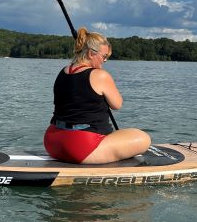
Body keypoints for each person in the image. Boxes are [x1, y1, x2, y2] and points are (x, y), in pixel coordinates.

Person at [44, 27, 151, 164]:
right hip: (80, 147)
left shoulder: (63, 71)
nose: (105, 61)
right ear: (90, 54)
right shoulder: (100, 75)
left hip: (53, 143)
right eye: (104, 56)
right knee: (143, 138)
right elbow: (117, 104)